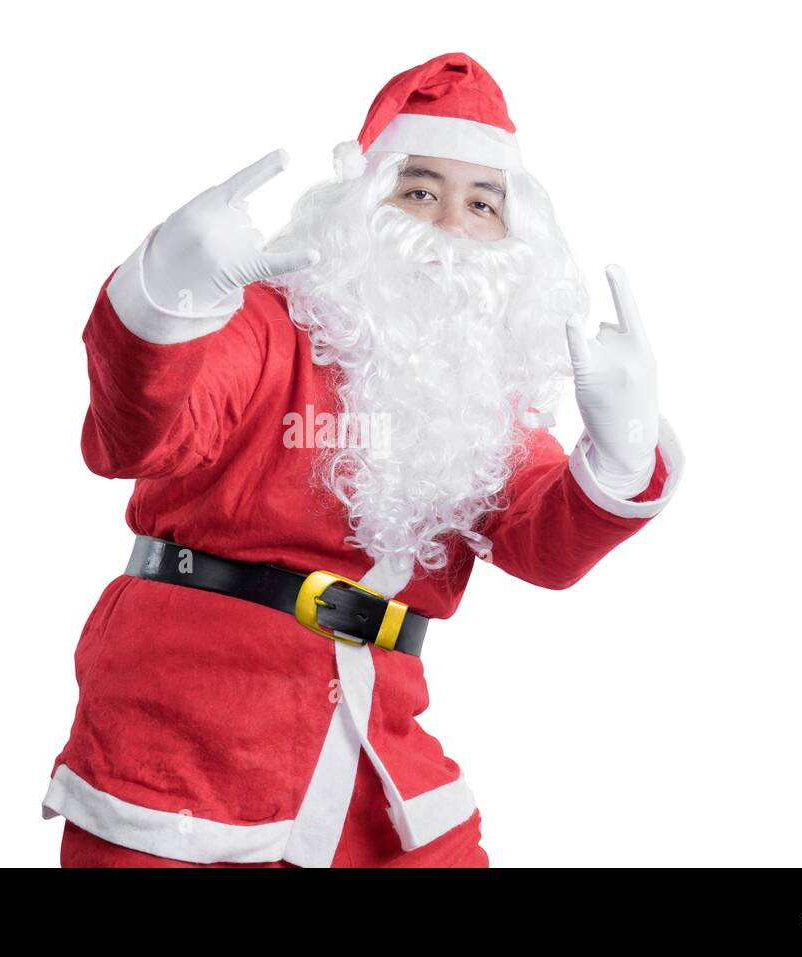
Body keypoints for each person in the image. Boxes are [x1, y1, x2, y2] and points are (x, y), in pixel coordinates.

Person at [42, 51, 685, 868]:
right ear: (360, 209)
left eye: (483, 204)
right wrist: (167, 299)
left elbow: (543, 545)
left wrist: (622, 455)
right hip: (185, 748)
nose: (451, 227)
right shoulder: (268, 326)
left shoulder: (482, 400)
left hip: (374, 759)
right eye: (420, 192)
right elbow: (135, 438)